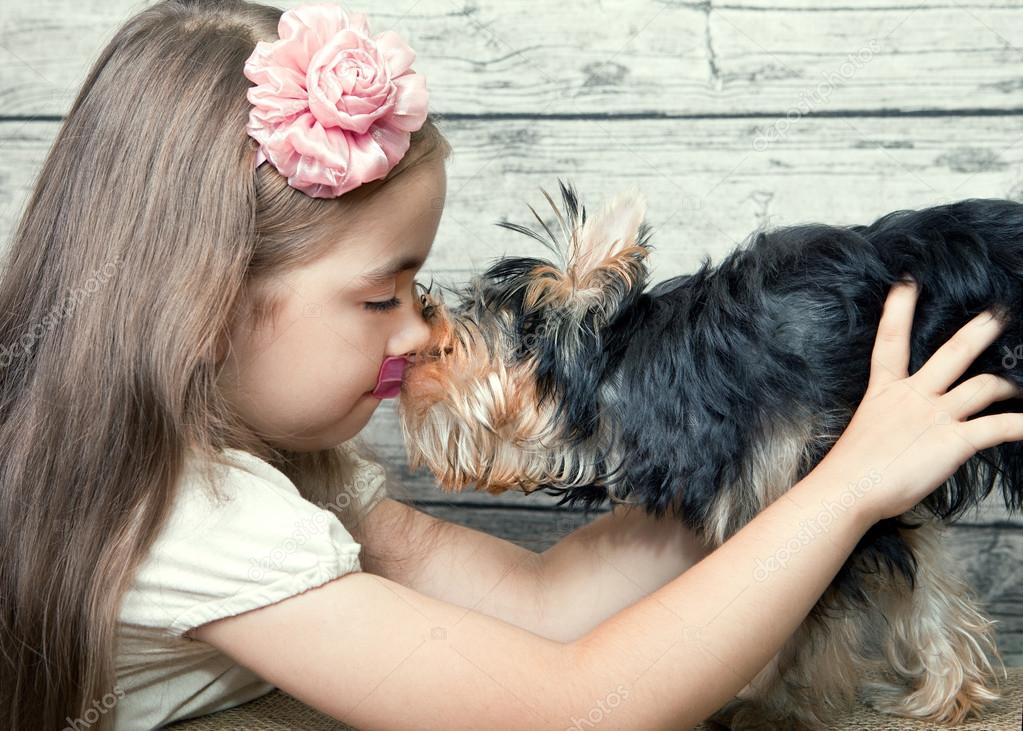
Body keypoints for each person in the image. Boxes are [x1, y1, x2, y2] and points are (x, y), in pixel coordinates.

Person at [1, 2, 1020, 729]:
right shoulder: (191, 512)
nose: (415, 337)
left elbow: (542, 600)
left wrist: (757, 418)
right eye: (379, 297)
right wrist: (843, 490)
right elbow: (571, 707)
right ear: (205, 301)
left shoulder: (286, 458)